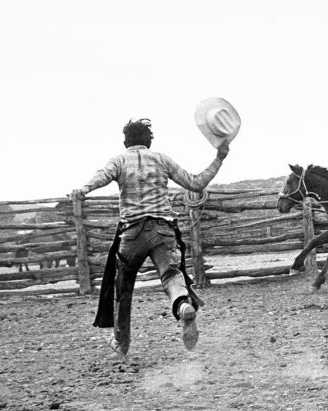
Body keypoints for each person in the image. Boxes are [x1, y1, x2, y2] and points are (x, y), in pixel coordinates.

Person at [73, 114, 233, 355]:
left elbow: (103, 175)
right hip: (163, 230)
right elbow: (196, 182)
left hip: (131, 233)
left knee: (123, 286)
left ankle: (121, 343)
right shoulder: (161, 159)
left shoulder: (119, 161)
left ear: (125, 142)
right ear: (149, 141)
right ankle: (182, 306)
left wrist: (84, 189)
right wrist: (219, 158)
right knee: (171, 276)